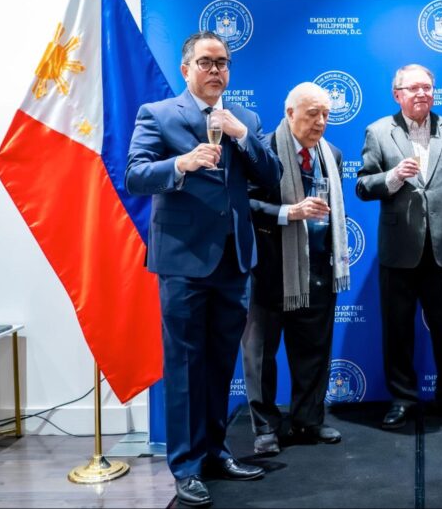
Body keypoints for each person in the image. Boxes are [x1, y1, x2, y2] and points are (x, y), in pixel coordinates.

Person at [126, 31, 281, 507]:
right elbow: (133, 174)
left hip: (234, 259)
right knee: (186, 366)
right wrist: (182, 163)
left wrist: (241, 136)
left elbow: (271, 178)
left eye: (224, 63)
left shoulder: (245, 119)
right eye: (208, 62)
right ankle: (186, 466)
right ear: (187, 68)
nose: (217, 71)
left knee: (219, 365)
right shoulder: (158, 115)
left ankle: (216, 451)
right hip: (183, 261)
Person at [356, 64, 442, 430]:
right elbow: (363, 186)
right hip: (399, 247)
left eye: (427, 87)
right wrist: (392, 177)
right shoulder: (378, 131)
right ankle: (403, 398)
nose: (422, 93)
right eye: (413, 88)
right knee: (397, 328)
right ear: (398, 94)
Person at [241, 82, 351, 456]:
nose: (320, 122)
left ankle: (308, 420)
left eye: (326, 115)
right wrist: (289, 213)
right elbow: (245, 205)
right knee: (261, 355)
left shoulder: (331, 154)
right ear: (290, 114)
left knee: (314, 353)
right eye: (312, 114)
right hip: (270, 271)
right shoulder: (263, 150)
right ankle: (266, 428)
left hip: (318, 268)